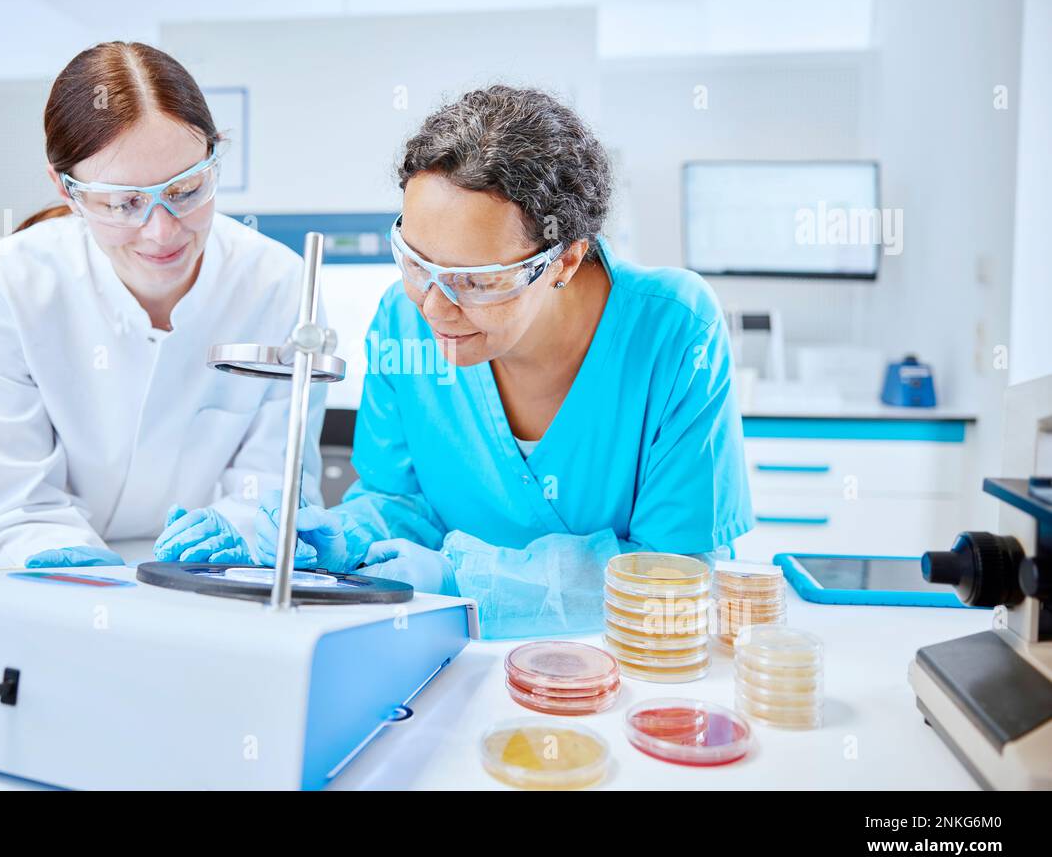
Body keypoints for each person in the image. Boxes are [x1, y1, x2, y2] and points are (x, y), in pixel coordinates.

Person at [227, 85, 752, 638]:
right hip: (445, 651)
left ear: (564, 259)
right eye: (414, 261)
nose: (434, 307)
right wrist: (351, 535)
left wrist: (466, 581)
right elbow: (399, 500)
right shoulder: (399, 323)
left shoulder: (674, 329)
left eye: (476, 281)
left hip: (618, 664)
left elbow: (678, 575)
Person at [0, 41, 322, 585]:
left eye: (187, 189)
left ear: (214, 158)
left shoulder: (281, 286)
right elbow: (8, 503)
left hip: (207, 585)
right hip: (39, 594)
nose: (162, 231)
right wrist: (73, 567)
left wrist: (236, 533)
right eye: (122, 204)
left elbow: (274, 491)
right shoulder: (5, 287)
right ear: (66, 189)